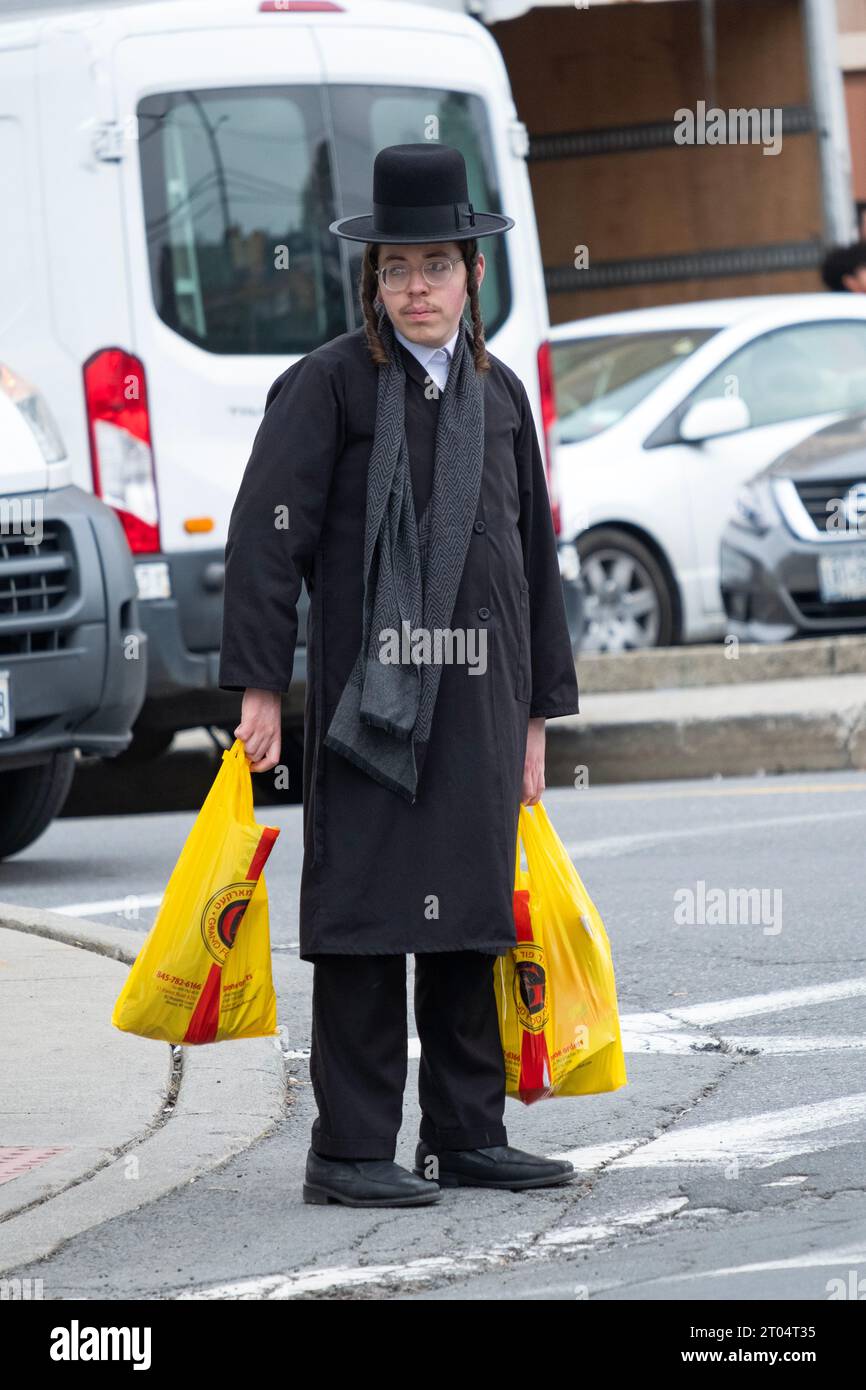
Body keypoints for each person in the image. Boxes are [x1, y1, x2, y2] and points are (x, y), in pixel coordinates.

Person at [218, 143, 581, 1208]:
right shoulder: (329, 385)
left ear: (472, 272)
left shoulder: (499, 392)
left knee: (470, 919)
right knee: (370, 922)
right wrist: (256, 688)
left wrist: (537, 714)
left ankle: (464, 1134)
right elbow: (262, 542)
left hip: (478, 698)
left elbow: (534, 567)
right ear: (370, 283)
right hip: (364, 708)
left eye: (433, 265)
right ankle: (349, 1149)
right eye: (393, 269)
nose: (414, 288)